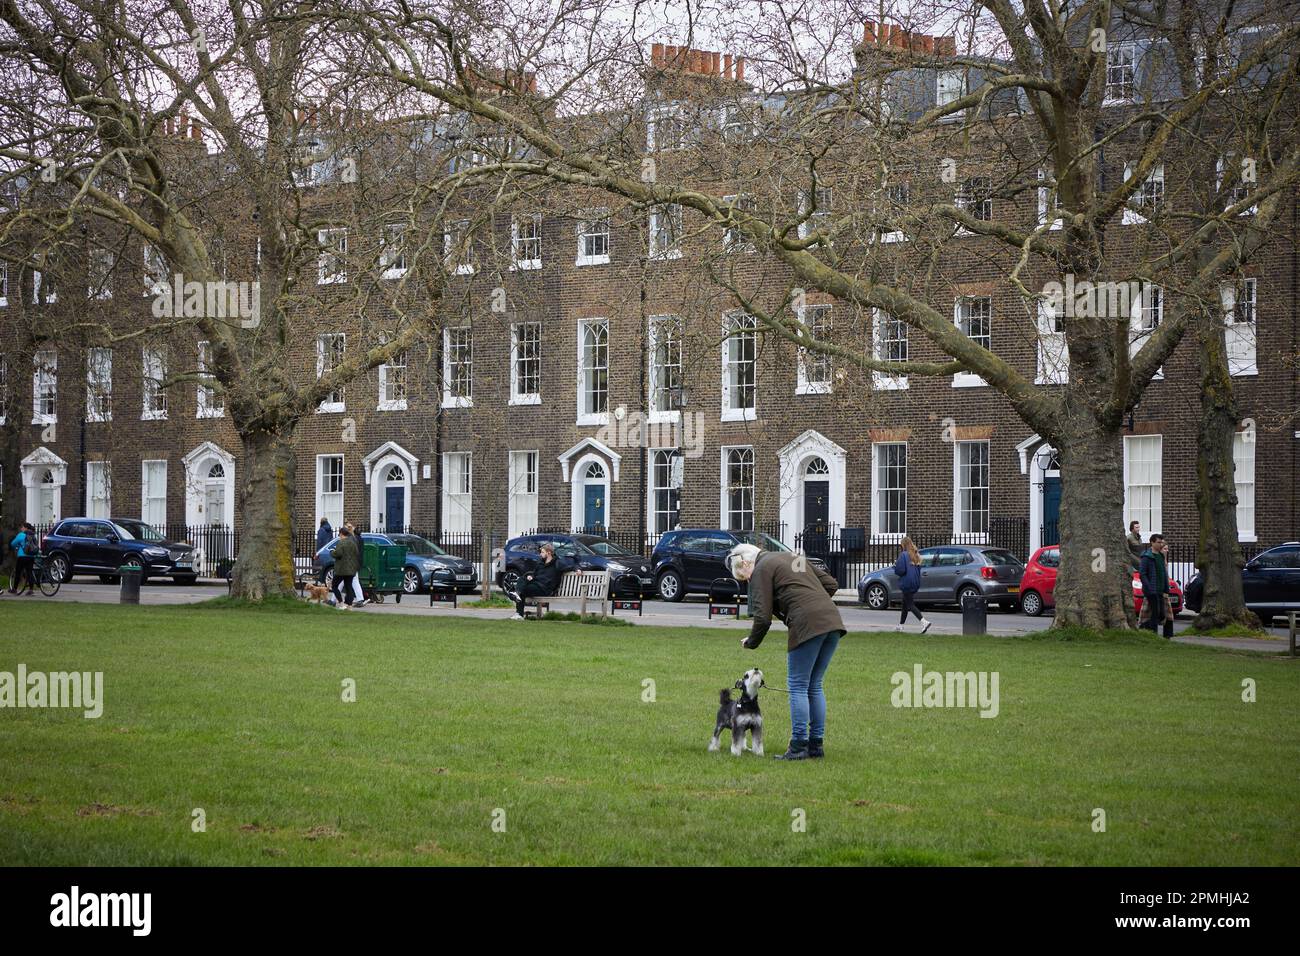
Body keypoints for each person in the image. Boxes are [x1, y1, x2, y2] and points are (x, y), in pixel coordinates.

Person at [729, 542, 846, 761]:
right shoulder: (791, 557)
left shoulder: (762, 568)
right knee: (814, 685)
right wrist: (810, 600)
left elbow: (762, 618)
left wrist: (751, 642)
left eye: (744, 577)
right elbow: (831, 584)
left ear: (745, 563)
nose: (748, 581)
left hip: (807, 624)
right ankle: (815, 746)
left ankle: (799, 745)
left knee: (798, 685)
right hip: (832, 621)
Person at [507, 542, 559, 619]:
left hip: (544, 589)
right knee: (523, 578)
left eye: (542, 552)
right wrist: (531, 576)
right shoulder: (541, 563)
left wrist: (577, 569)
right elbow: (534, 573)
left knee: (523, 590)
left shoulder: (557, 563)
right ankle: (517, 594)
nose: (540, 554)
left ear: (549, 553)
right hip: (536, 585)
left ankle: (519, 613)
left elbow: (570, 563)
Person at [1138, 533, 1175, 638]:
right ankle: (1153, 635)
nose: (1160, 544)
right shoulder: (1147, 556)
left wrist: (1166, 588)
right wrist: (1149, 587)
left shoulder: (1160, 555)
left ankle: (1146, 630)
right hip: (1152, 590)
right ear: (1152, 542)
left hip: (1161, 590)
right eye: (1158, 542)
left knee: (1163, 614)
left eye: (1161, 542)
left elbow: (1163, 572)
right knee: (1155, 613)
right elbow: (1142, 573)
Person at [892, 536, 931, 633]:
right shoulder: (915, 554)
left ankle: (924, 622)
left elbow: (901, 570)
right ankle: (901, 626)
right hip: (915, 582)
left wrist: (895, 566)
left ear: (904, 545)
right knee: (905, 605)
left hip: (907, 583)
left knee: (910, 605)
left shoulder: (904, 555)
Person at [332, 527, 361, 608]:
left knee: (334, 585)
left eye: (339, 534)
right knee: (349, 587)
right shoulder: (353, 543)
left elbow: (338, 554)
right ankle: (349, 605)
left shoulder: (341, 543)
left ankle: (341, 603)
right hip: (351, 569)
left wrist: (332, 552)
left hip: (342, 569)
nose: (339, 536)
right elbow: (357, 553)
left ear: (341, 534)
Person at [9, 523, 37, 596]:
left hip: (22, 556)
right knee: (29, 572)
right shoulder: (33, 535)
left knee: (18, 572)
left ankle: (14, 589)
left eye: (22, 527)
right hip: (31, 556)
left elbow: (13, 544)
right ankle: (31, 589)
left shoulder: (21, 535)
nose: (21, 528)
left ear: (25, 528)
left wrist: (17, 546)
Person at [344, 522, 366, 607]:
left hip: (351, 563)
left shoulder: (352, 538)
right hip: (355, 562)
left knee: (349, 580)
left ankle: (334, 600)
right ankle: (333, 600)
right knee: (345, 581)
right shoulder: (358, 538)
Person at [315, 518, 334, 583]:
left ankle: (318, 581)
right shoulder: (330, 530)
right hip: (328, 549)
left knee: (319, 567)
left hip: (322, 549)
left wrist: (318, 551)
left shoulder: (321, 530)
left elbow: (319, 541)